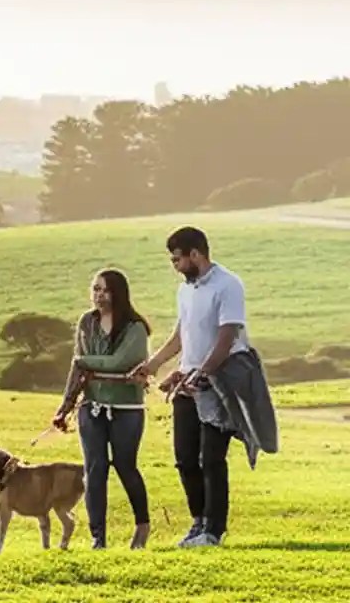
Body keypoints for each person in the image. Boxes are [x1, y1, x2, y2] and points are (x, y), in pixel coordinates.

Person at [128, 226, 253, 548]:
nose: (175, 266)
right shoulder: (186, 290)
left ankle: (214, 530)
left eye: (177, 260)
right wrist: (153, 365)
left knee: (211, 459)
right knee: (185, 458)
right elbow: (181, 336)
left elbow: (227, 337)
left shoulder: (228, 285)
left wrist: (203, 373)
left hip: (219, 383)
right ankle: (198, 523)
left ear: (195, 254)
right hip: (187, 381)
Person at [52, 269, 152, 550]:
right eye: (95, 289)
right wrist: (65, 406)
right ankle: (98, 538)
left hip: (126, 408)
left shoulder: (135, 328)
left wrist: (86, 363)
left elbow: (122, 361)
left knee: (125, 465)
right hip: (91, 406)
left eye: (105, 290)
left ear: (118, 293)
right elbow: (78, 366)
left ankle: (142, 525)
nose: (98, 295)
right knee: (94, 470)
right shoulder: (86, 322)